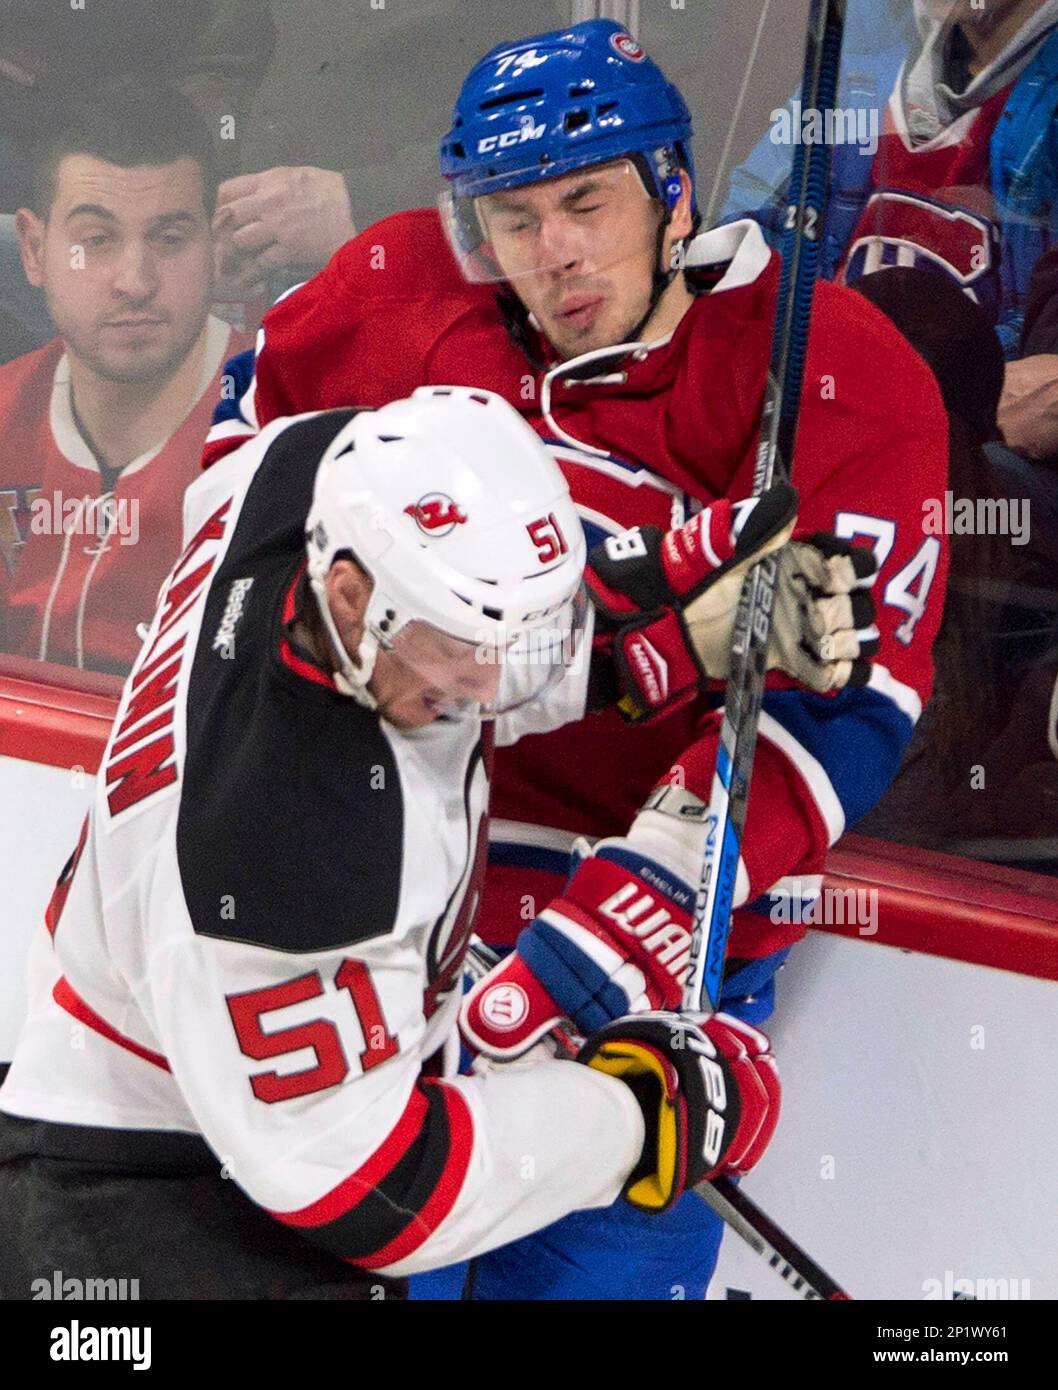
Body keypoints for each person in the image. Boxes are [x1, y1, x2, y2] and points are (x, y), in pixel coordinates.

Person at [200, 18, 949, 1299]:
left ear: (674, 192)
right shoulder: (394, 289)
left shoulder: (831, 367)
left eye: (586, 203)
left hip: (644, 957)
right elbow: (235, 506)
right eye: (512, 217)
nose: (551, 253)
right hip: (386, 910)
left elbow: (840, 706)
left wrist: (591, 946)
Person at [0, 386, 798, 1299]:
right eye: (464, 645)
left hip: (172, 1085)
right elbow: (379, 1194)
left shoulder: (301, 471)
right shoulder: (283, 862)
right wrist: (636, 1117)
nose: (490, 685)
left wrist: (652, 637)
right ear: (348, 596)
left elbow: (447, 602)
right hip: (135, 1208)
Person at [0, 81, 254, 673]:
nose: (135, 282)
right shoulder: (4, 413)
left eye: (170, 239)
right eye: (96, 240)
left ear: (216, 245)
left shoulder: (292, 430)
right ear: (33, 250)